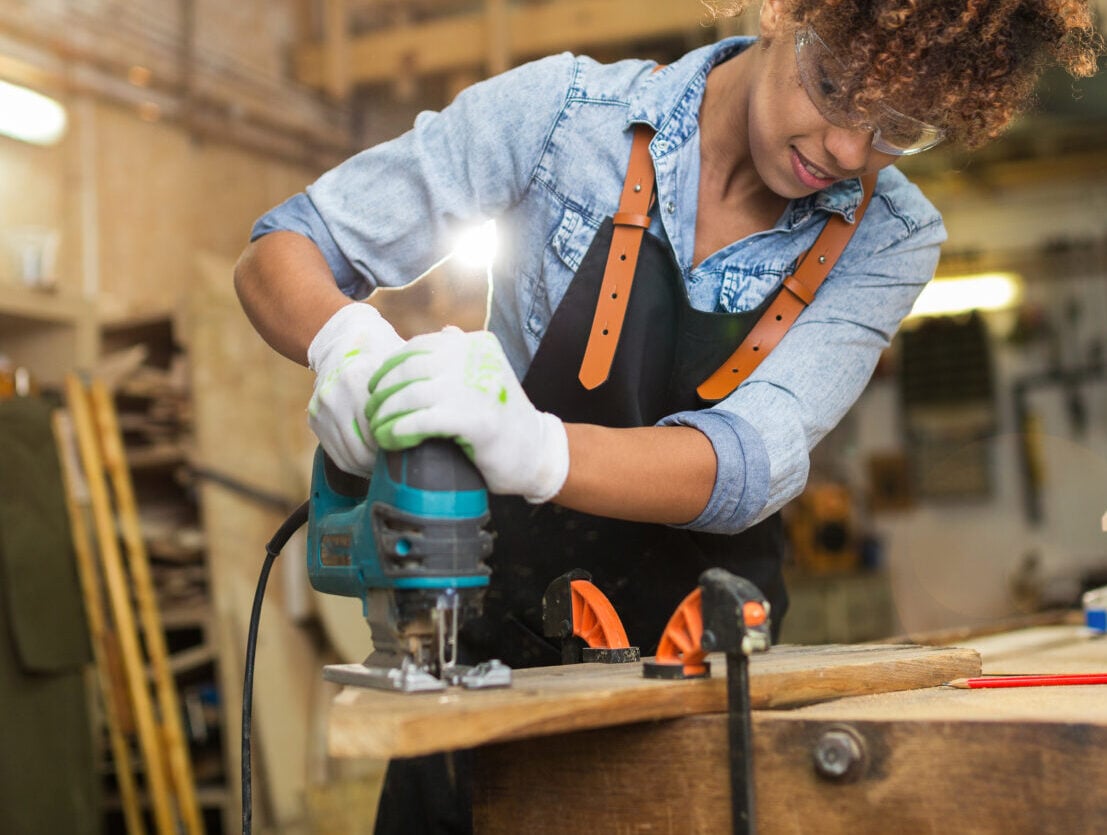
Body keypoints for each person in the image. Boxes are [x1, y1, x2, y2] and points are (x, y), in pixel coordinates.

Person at [235, 1, 1101, 830]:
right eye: (834, 88)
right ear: (780, 10)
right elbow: (288, 244)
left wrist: (536, 447)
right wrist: (346, 346)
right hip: (483, 665)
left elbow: (752, 458)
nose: (845, 149)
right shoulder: (566, 116)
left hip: (706, 680)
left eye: (899, 129)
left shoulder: (890, 237)